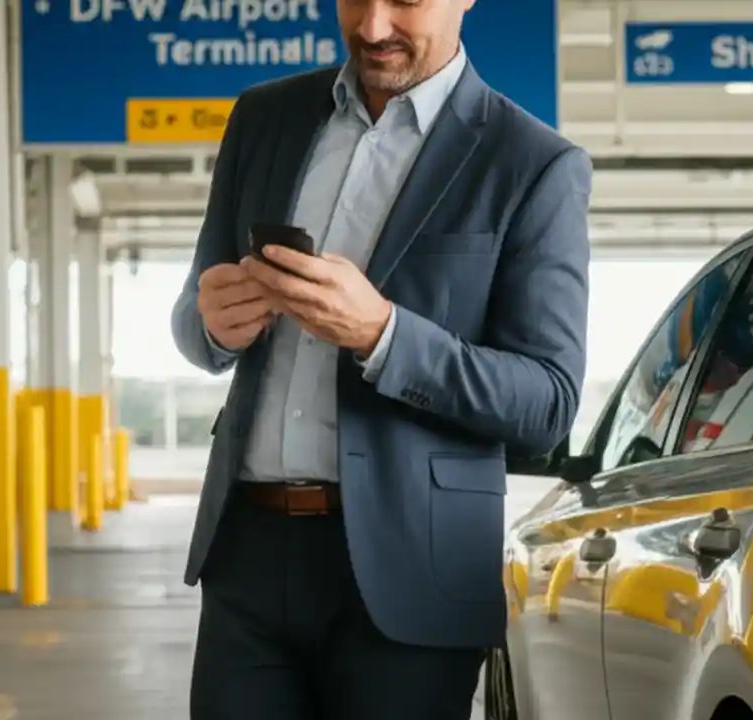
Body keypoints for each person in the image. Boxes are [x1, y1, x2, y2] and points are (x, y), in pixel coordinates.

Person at [171, 0, 591, 717]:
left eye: (405, 2)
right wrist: (210, 327)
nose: (371, 28)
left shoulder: (533, 164)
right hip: (248, 555)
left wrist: (384, 335)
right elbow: (196, 314)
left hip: (414, 572)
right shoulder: (264, 119)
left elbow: (546, 402)